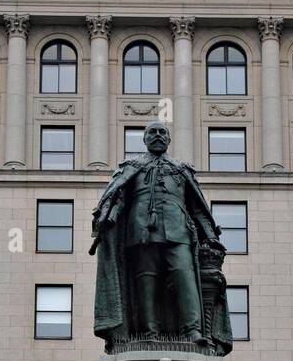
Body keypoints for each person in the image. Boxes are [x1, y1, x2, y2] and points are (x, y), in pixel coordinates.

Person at [90, 121, 233, 349]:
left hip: (179, 232)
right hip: (140, 232)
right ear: (144, 140)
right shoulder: (131, 166)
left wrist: (211, 237)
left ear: (168, 140)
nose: (157, 136)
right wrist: (107, 217)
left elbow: (198, 208)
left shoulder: (181, 169)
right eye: (152, 133)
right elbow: (117, 198)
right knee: (146, 280)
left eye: (162, 132)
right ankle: (149, 331)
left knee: (184, 276)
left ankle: (193, 330)